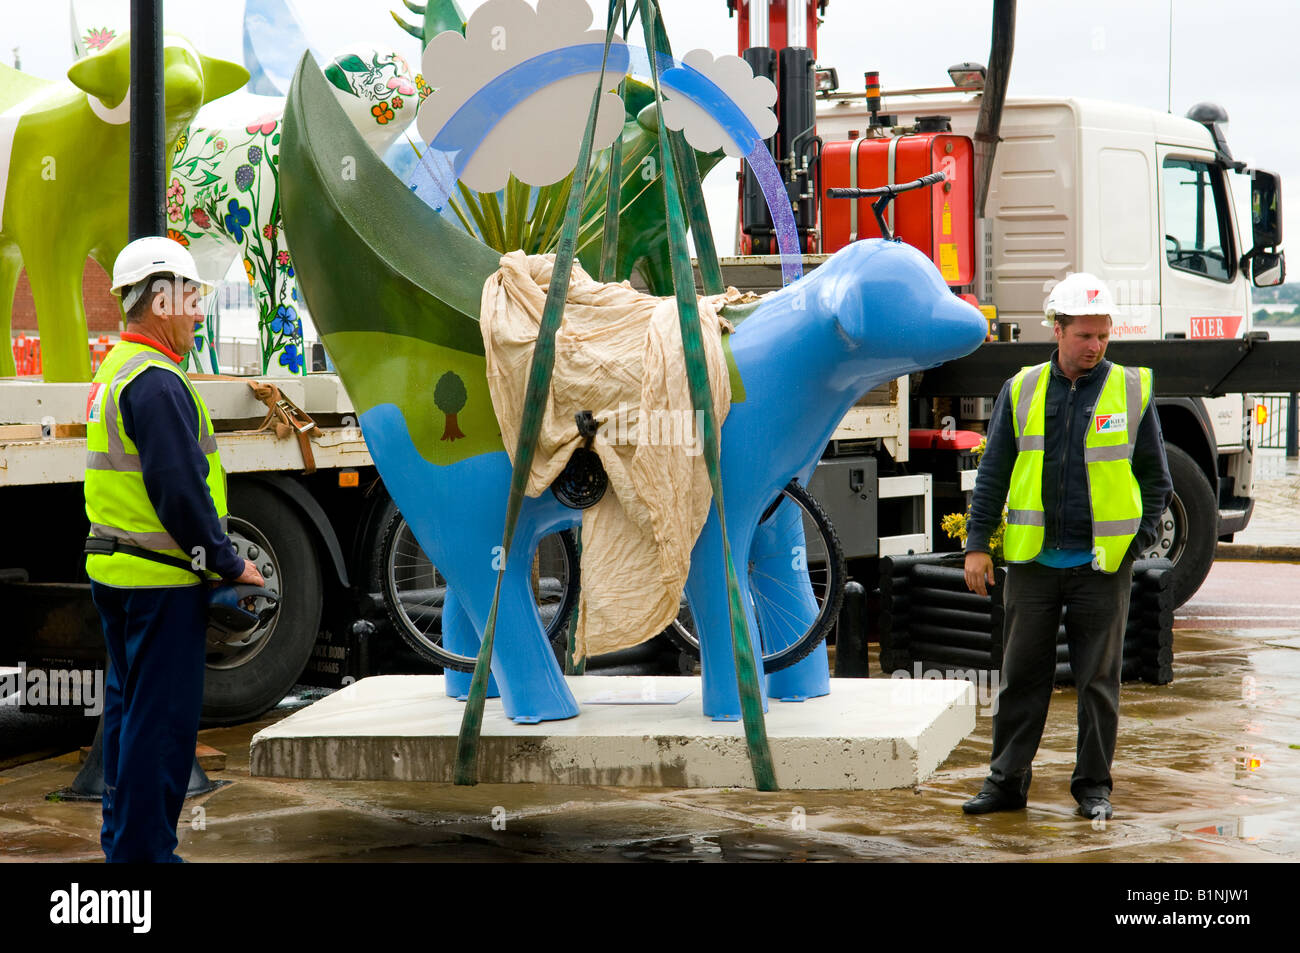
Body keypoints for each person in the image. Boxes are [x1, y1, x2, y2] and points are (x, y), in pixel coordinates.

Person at [960, 273, 1172, 821]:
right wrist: (977, 544)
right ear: (1057, 330)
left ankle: (1094, 790)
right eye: (1084, 335)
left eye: (1103, 335)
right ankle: (1006, 784)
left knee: (1098, 686)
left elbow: (1157, 483)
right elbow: (994, 472)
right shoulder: (1023, 387)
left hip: (1101, 566)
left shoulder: (1129, 389)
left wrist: (1133, 545)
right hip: (1032, 564)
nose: (1095, 346)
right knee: (1020, 682)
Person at [84, 236, 264, 863]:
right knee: (159, 730)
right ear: (159, 300)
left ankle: (128, 852)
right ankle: (144, 865)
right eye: (190, 298)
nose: (196, 311)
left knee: (132, 722)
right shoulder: (156, 383)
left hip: (124, 574)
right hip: (160, 584)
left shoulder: (118, 370)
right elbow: (179, 492)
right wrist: (227, 560)